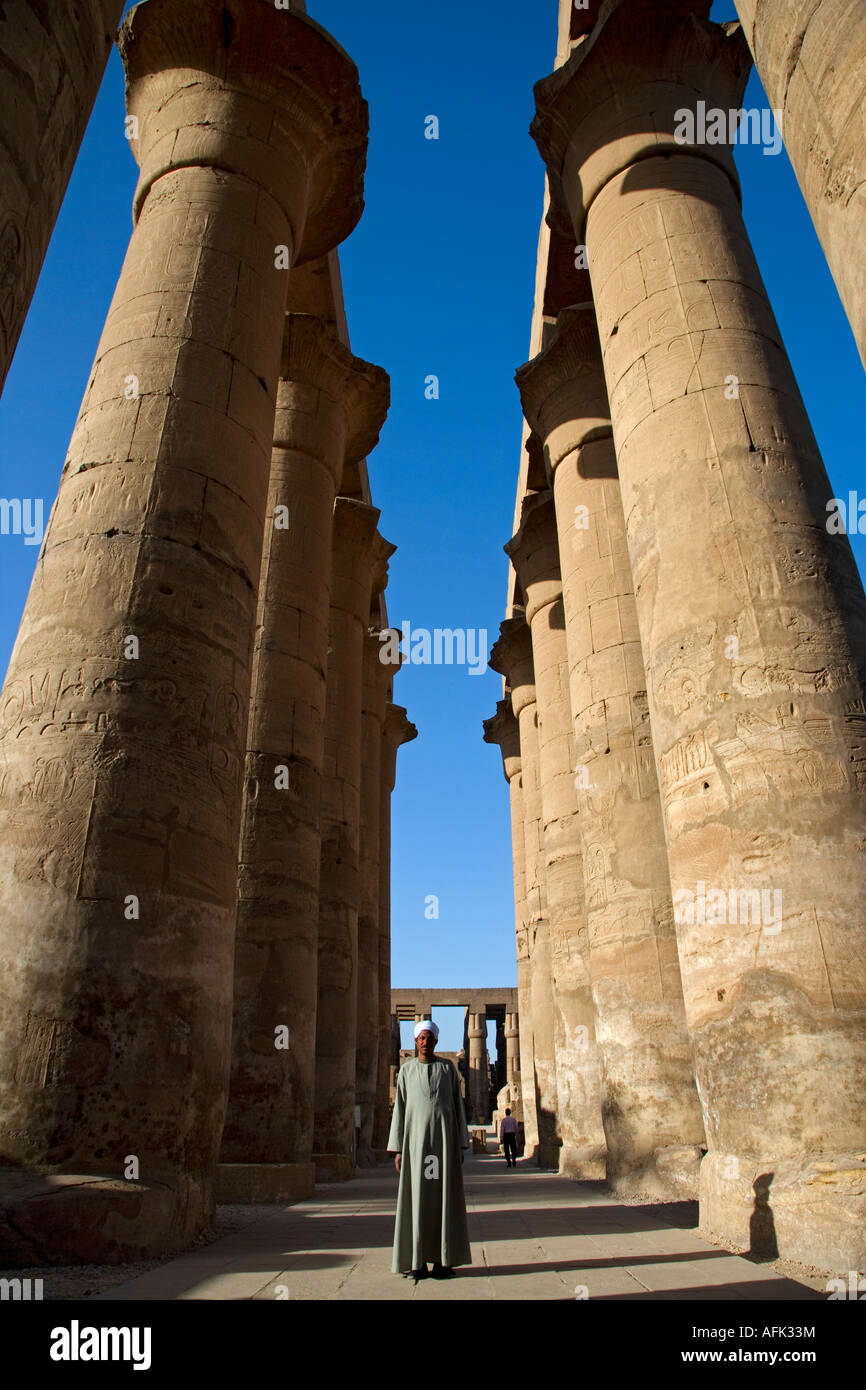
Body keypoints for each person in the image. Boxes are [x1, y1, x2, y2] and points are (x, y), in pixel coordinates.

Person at [387, 1019, 471, 1281]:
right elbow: (399, 1112)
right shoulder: (406, 1072)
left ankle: (443, 1261)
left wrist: (460, 1143)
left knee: (443, 1199)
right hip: (416, 1146)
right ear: (415, 1041)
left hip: (443, 1145)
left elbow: (458, 1108)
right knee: (417, 1200)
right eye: (421, 1038)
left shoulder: (447, 1070)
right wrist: (398, 1149)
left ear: (436, 1041)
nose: (425, 1042)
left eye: (429, 1038)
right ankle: (417, 1261)